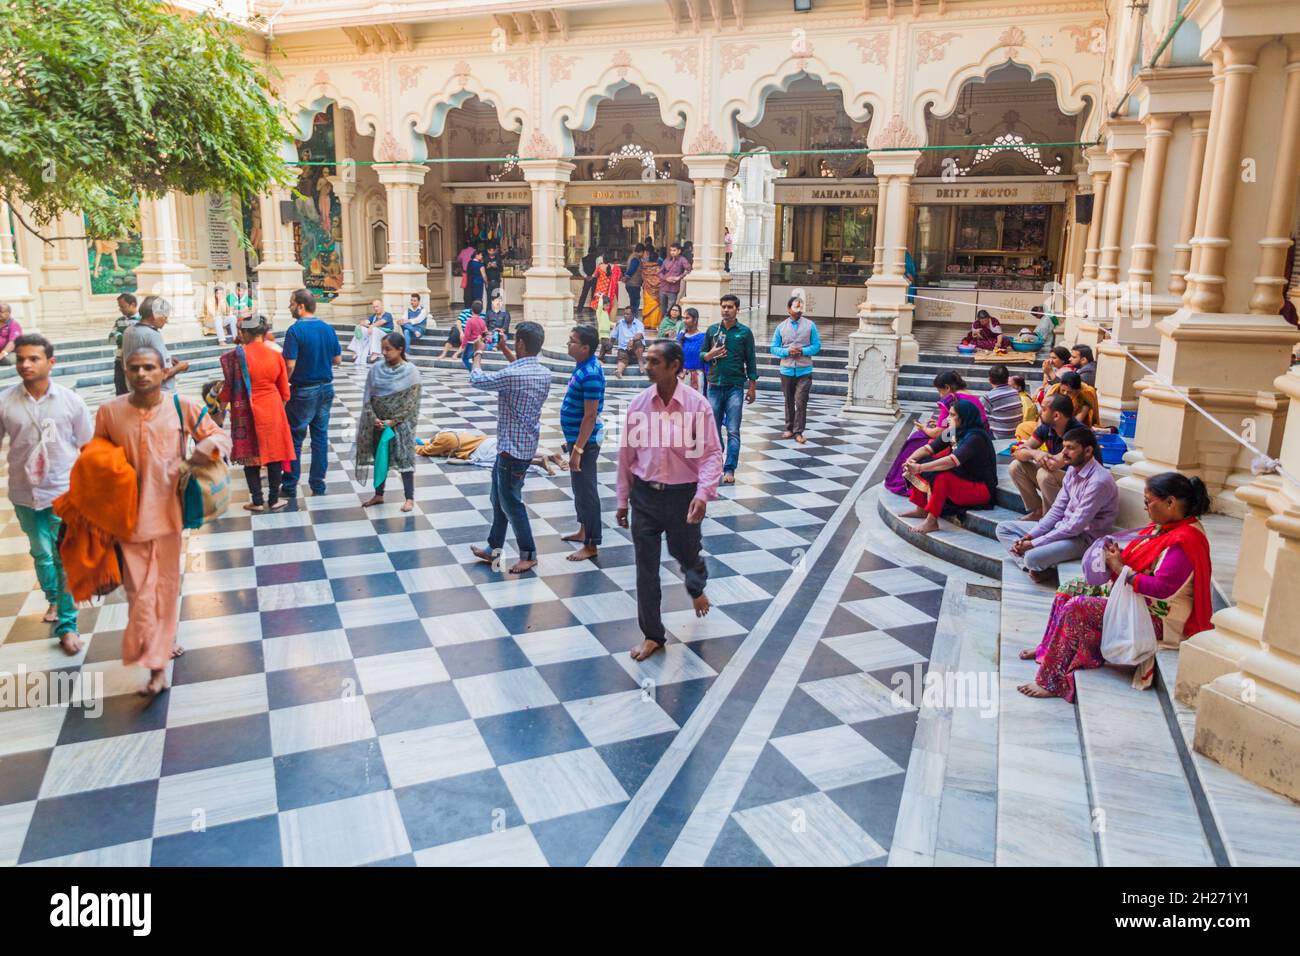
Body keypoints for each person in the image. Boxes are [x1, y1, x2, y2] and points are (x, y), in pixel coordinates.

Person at [93, 345, 231, 696]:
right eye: (134, 368)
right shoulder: (109, 412)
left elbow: (220, 435)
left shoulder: (181, 406)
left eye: (149, 367)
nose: (141, 374)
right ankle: (157, 660)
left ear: (164, 370)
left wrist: (208, 447)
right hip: (127, 520)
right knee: (140, 593)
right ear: (125, 372)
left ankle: (158, 663)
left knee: (165, 588)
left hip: (170, 515)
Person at [1018, 472, 1213, 701]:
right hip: (1140, 602)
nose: (1145, 508)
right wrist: (1116, 559)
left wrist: (1120, 568)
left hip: (1158, 619)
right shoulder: (1166, 528)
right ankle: (1047, 649)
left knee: (1077, 607)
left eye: (1148, 501)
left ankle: (1050, 681)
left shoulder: (1185, 540)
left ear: (1170, 502)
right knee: (1069, 589)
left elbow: (1161, 589)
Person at [617, 339, 723, 662]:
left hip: (683, 496)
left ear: (674, 366)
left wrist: (703, 495)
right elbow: (626, 456)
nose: (646, 367)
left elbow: (711, 456)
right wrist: (623, 500)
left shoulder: (696, 406)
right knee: (645, 569)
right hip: (645, 497)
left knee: (686, 552)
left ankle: (695, 585)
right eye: (645, 361)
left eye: (653, 362)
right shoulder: (638, 404)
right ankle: (653, 634)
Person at [0, 335, 93, 654]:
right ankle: (53, 598)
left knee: (64, 557)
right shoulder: (5, 401)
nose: (25, 364)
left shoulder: (70, 401)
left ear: (50, 363)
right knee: (40, 552)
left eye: (33, 359)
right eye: (21, 358)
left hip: (62, 491)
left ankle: (68, 625)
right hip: (23, 492)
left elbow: (86, 445)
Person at [468, 321, 552, 574]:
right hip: (523, 446)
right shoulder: (543, 373)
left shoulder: (513, 375)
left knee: (511, 503)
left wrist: (478, 352)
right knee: (498, 498)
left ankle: (529, 554)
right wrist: (505, 349)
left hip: (511, 451)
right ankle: (493, 548)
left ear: (522, 343)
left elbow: (477, 379)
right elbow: (518, 368)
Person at [996, 428, 1119, 583]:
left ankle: (1037, 565)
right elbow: (1056, 511)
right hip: (1063, 529)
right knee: (1003, 529)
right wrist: (1031, 535)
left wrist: (1034, 543)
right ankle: (1033, 568)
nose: (1064, 453)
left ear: (1088, 451)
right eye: (1064, 447)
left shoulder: (1099, 481)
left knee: (1032, 556)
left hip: (1085, 539)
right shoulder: (1073, 471)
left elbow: (1075, 527)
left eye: (1071, 448)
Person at [220, 314, 294, 513]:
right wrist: (279, 408)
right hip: (273, 408)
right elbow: (285, 392)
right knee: (275, 455)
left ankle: (258, 501)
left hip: (246, 410)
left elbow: (228, 389)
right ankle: (274, 499)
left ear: (245, 332)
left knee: (250, 456)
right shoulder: (275, 356)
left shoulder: (235, 357)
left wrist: (219, 406)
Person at [899, 399, 998, 534]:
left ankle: (932, 521)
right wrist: (911, 460)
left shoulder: (975, 437)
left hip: (980, 488)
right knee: (920, 461)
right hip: (960, 479)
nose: (948, 418)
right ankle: (921, 508)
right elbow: (928, 449)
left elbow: (952, 461)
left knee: (941, 475)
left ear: (964, 417)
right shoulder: (952, 432)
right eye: (949, 414)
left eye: (952, 415)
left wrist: (920, 468)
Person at [280, 289, 342, 499]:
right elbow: (337, 360)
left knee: (294, 438)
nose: (289, 307)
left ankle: (289, 484)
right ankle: (318, 483)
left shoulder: (294, 331)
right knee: (320, 437)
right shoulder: (327, 328)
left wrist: (284, 382)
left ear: (300, 306)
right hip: (326, 388)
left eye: (291, 303)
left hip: (303, 390)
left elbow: (290, 363)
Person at [885, 370, 987, 496]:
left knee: (915, 441)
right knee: (923, 455)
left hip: (974, 477)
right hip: (962, 437)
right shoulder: (970, 398)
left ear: (947, 387)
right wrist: (911, 459)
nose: (948, 418)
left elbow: (939, 435)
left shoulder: (952, 400)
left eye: (940, 391)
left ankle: (906, 484)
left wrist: (924, 429)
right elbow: (932, 445)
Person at [357, 332, 422, 513]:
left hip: (401, 425)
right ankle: (379, 494)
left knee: (404, 459)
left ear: (400, 349)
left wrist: (393, 421)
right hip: (378, 423)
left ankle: (409, 498)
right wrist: (374, 419)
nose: (384, 353)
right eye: (383, 349)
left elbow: (411, 403)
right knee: (381, 458)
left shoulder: (411, 371)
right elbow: (367, 397)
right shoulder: (376, 369)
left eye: (388, 349)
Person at [560, 324, 605, 562]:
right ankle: (583, 530)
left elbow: (590, 415)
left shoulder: (591, 373)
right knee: (579, 487)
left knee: (587, 491)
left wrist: (577, 449)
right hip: (576, 439)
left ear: (585, 348)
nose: (569, 344)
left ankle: (592, 545)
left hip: (585, 443)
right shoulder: (582, 366)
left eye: (572, 341)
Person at [702, 294, 759, 484]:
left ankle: (729, 468)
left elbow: (751, 360)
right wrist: (710, 354)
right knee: (713, 428)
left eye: (730, 307)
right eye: (723, 307)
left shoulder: (744, 333)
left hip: (735, 386)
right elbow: (702, 354)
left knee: (733, 429)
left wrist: (752, 387)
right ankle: (717, 461)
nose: (726, 310)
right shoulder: (712, 330)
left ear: (737, 310)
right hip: (714, 386)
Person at [1010, 394, 1083, 520]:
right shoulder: (1046, 427)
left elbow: (1053, 464)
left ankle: (1055, 517)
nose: (1039, 412)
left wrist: (1034, 454)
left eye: (1043, 409)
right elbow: (1018, 452)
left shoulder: (1078, 433)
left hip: (1080, 486)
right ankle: (1038, 510)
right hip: (1060, 480)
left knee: (1044, 474)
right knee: (1016, 466)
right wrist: (1035, 453)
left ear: (1056, 416)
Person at [771, 295, 821, 442]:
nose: (799, 310)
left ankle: (798, 431)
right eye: (796, 307)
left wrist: (803, 351)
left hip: (804, 370)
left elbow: (817, 346)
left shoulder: (810, 325)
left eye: (801, 307)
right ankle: (789, 428)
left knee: (801, 401)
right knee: (788, 400)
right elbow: (774, 348)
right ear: (788, 309)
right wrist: (787, 352)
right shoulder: (781, 327)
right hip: (786, 370)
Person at [122, 296, 189, 391]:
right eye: (165, 317)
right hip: (158, 394)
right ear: (154, 315)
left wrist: (167, 359)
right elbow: (163, 374)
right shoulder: (152, 334)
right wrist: (181, 366)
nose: (167, 321)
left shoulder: (128, 331)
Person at [982, 364, 1024, 439]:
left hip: (998, 437)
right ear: (1007, 378)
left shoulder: (988, 397)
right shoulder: (1015, 392)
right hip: (1016, 434)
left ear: (989, 380)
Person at [109, 293, 139, 396]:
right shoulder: (119, 321)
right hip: (120, 359)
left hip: (136, 360)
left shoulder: (142, 321)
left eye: (123, 306)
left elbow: (138, 339)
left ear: (133, 304)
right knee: (120, 389)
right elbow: (111, 338)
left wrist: (121, 336)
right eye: (119, 306)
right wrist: (123, 337)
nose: (120, 309)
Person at [351, 299, 394, 366]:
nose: (375, 308)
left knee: (375, 329)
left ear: (382, 306)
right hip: (374, 334)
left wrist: (371, 326)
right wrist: (363, 323)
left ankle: (375, 352)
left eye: (377, 306)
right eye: (374, 307)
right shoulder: (373, 316)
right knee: (360, 328)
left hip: (386, 336)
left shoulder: (387, 315)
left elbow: (381, 322)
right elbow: (366, 321)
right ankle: (356, 350)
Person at [677, 308, 707, 391]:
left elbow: (706, 360)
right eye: (683, 318)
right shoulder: (681, 337)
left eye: (687, 318)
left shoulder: (703, 337)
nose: (684, 321)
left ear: (695, 320)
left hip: (698, 377)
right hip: (682, 376)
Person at [659, 242, 691, 317]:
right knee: (662, 309)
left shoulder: (682, 260)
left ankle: (668, 325)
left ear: (679, 251)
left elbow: (689, 270)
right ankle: (664, 325)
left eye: (674, 250)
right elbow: (660, 273)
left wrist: (679, 277)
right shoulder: (666, 260)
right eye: (671, 250)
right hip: (663, 287)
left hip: (673, 289)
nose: (672, 252)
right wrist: (666, 278)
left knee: (670, 310)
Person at [611, 309, 646, 379]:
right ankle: (619, 372)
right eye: (624, 314)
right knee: (622, 359)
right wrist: (609, 346)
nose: (625, 315)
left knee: (638, 342)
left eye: (627, 314)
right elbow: (613, 336)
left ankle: (640, 362)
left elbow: (640, 335)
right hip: (623, 349)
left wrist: (632, 340)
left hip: (635, 348)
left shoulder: (639, 323)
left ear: (633, 315)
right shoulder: (620, 323)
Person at [591, 253, 621, 318]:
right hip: (612, 291)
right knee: (613, 306)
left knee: (600, 307)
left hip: (601, 291)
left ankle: (602, 323)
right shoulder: (616, 268)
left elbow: (594, 275)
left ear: (603, 259)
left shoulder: (600, 267)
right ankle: (611, 323)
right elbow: (618, 278)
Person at [640, 244, 663, 329]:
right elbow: (661, 279)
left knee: (648, 305)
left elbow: (643, 277)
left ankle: (647, 323)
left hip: (647, 289)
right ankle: (654, 323)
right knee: (656, 306)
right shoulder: (659, 268)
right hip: (656, 291)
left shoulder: (644, 267)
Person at [461, 302, 488, 372]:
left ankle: (473, 372)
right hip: (478, 343)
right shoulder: (482, 321)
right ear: (481, 311)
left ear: (472, 310)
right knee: (475, 360)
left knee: (465, 359)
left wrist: (463, 345)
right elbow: (485, 333)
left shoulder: (470, 321)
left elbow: (467, 334)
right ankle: (475, 375)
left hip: (470, 343)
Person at [624, 243, 644, 319]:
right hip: (634, 284)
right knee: (635, 303)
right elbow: (632, 269)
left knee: (633, 302)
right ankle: (634, 318)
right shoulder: (636, 258)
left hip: (631, 284)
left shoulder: (632, 256)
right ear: (641, 251)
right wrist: (626, 276)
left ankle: (631, 318)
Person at [577, 246, 599, 314]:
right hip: (594, 278)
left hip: (586, 279)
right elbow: (597, 269)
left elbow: (580, 270)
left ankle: (579, 309)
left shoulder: (583, 259)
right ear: (595, 252)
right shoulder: (597, 259)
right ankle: (592, 309)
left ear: (588, 251)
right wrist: (592, 276)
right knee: (594, 294)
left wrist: (586, 276)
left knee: (584, 294)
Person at [458, 239, 477, 309]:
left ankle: (467, 306)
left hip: (465, 273)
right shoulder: (475, 251)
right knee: (474, 289)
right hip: (474, 273)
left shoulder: (463, 251)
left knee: (466, 290)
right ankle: (474, 306)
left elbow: (459, 259)